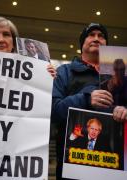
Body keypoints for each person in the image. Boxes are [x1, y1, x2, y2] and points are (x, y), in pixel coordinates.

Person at [51, 23, 127, 179]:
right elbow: (53, 111)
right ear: (82, 44)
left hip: (113, 164)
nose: (96, 39)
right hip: (72, 164)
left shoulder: (122, 76)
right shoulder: (64, 72)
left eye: (101, 36)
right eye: (91, 35)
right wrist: (86, 98)